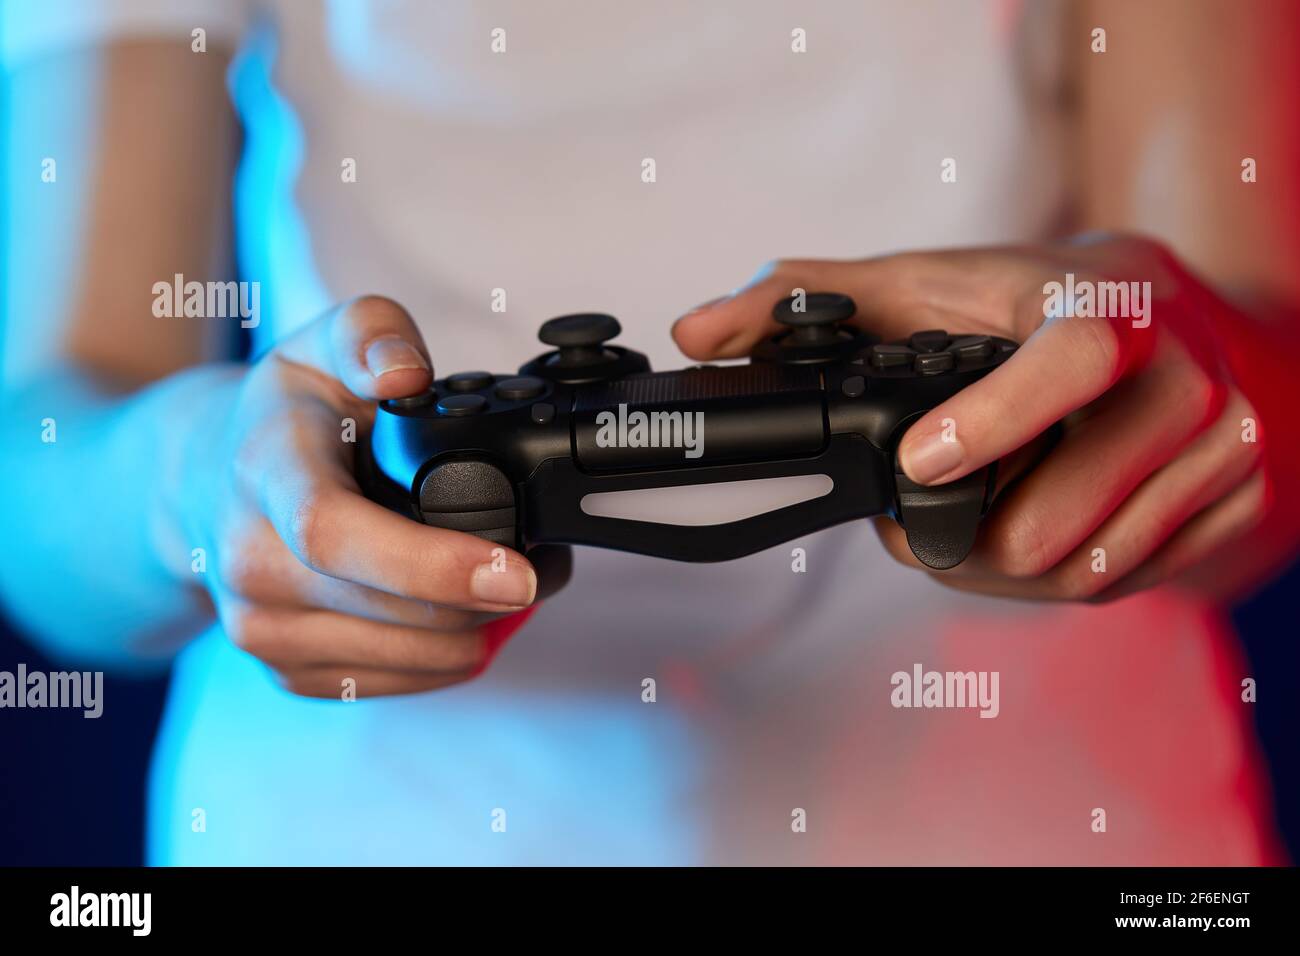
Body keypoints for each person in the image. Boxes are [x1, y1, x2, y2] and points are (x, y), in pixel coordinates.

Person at [2, 0, 1297, 865]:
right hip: (381, 824)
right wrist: (208, 491)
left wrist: (1176, 388)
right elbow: (40, 468)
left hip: (1051, 811)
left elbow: (1265, 397)